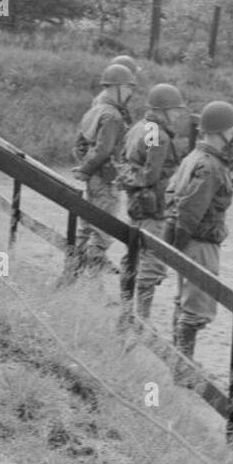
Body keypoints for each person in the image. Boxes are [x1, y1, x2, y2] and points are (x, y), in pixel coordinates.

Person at [163, 99, 233, 368]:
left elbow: (174, 196)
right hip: (199, 241)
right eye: (231, 128)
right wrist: (180, 242)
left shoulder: (194, 158)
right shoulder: (209, 165)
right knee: (196, 305)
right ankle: (181, 365)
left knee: (187, 299)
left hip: (190, 239)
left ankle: (179, 360)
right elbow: (191, 209)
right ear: (221, 130)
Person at [114, 81, 186, 324]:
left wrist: (128, 180)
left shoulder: (139, 127)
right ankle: (140, 318)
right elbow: (152, 174)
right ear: (163, 109)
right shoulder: (158, 134)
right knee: (151, 261)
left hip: (137, 202)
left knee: (132, 255)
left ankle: (126, 311)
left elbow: (125, 160)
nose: (177, 115)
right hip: (152, 205)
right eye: (175, 110)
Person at [71, 63, 136, 274]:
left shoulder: (98, 108)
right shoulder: (114, 115)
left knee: (87, 226)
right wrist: (86, 169)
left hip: (98, 177)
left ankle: (72, 273)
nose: (131, 92)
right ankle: (93, 287)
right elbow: (104, 149)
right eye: (128, 87)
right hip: (107, 179)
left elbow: (82, 142)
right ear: (117, 86)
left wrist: (84, 166)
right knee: (101, 231)